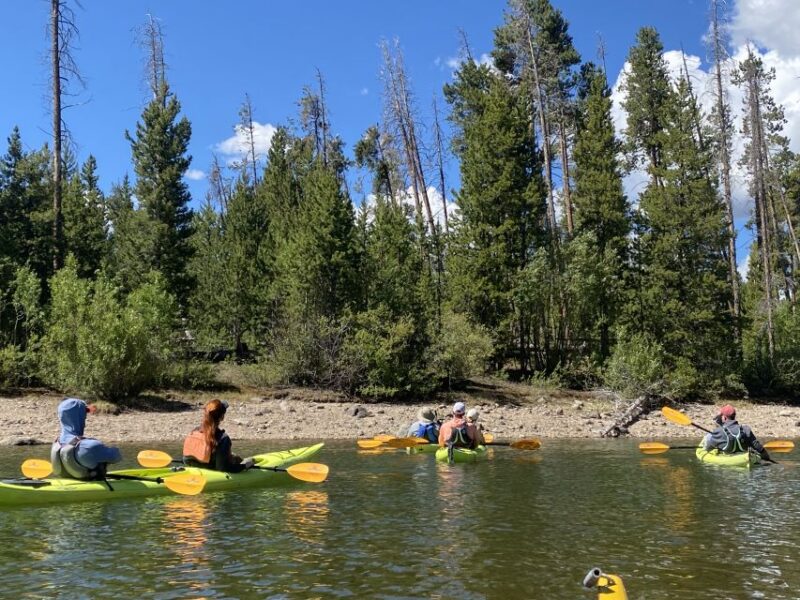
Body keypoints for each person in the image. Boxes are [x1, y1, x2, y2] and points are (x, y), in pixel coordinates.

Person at [50, 397, 122, 480]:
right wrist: (111, 449)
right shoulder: (89, 445)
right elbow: (117, 457)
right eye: (84, 413)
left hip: (68, 483)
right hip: (93, 487)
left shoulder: (56, 443)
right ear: (80, 416)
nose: (85, 417)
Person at [183, 399, 255, 472]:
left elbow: (185, 459)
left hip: (194, 467)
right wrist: (244, 466)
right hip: (212, 470)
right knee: (250, 460)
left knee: (235, 457)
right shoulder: (223, 438)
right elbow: (223, 468)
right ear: (222, 417)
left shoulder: (194, 432)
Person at [703, 404, 771, 461]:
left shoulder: (718, 432)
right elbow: (756, 445)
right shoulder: (745, 428)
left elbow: (707, 448)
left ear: (724, 418)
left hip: (729, 460)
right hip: (744, 456)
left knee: (708, 436)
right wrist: (765, 455)